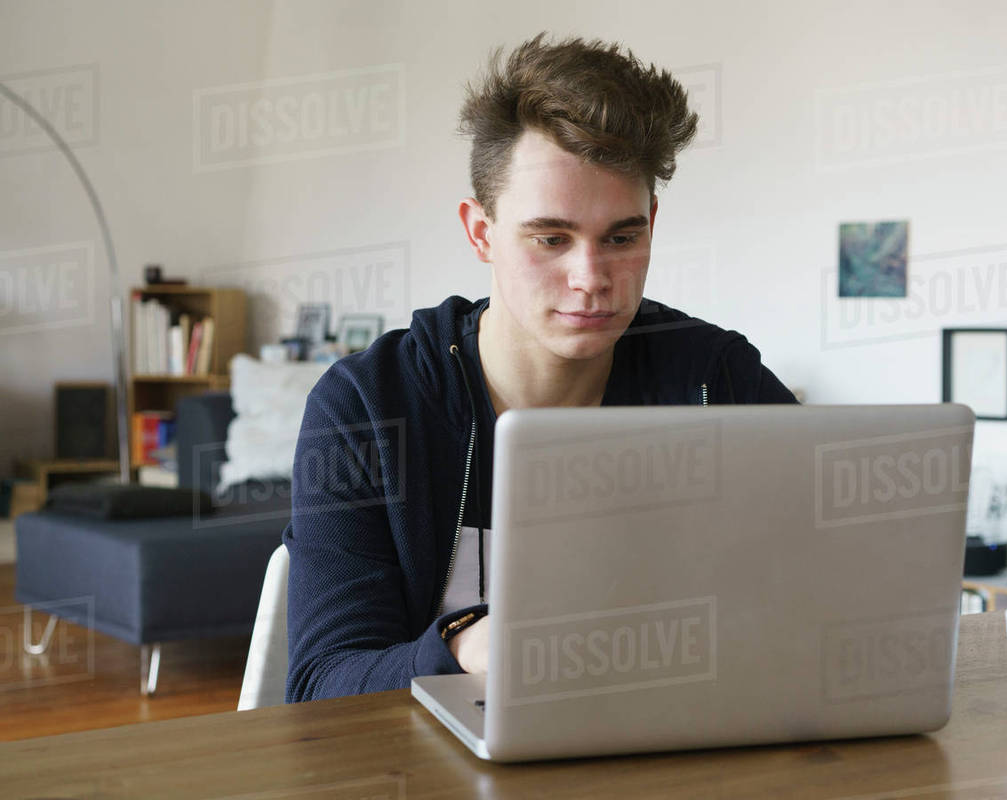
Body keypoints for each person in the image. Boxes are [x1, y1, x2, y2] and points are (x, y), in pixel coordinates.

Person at [284, 32, 797, 703]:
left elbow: (822, 593)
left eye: (623, 236)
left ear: (652, 224)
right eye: (550, 238)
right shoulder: (369, 406)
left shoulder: (713, 377)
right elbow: (323, 685)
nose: (591, 278)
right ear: (480, 232)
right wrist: (462, 648)